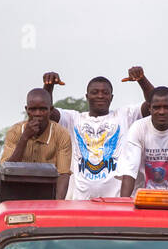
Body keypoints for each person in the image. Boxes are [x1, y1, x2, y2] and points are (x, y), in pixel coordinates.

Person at [43, 67, 155, 200]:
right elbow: (46, 111)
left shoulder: (124, 116)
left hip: (116, 203)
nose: (100, 96)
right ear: (87, 96)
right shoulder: (73, 119)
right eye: (95, 92)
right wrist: (48, 87)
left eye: (105, 92)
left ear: (111, 97)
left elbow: (153, 102)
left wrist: (142, 80)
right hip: (79, 202)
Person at [0, 88, 73, 202]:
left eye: (43, 109)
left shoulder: (61, 134)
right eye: (33, 109)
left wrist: (57, 204)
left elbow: (63, 174)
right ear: (27, 110)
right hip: (13, 196)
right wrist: (24, 138)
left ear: (50, 110)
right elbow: (7, 170)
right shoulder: (15, 132)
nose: (38, 114)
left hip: (46, 198)